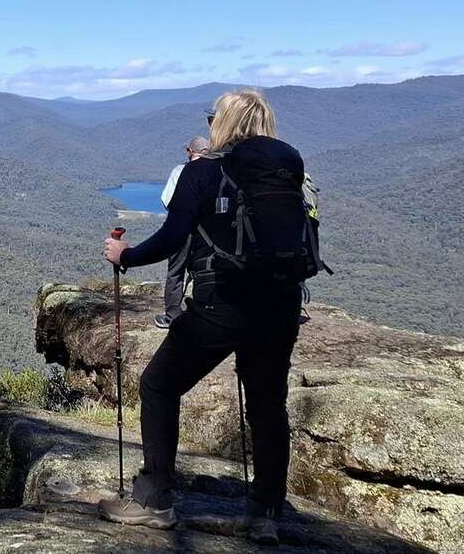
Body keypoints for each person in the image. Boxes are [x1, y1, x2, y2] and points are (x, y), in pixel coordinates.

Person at [98, 89, 314, 547]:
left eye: (213, 116)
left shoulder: (203, 172)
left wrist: (126, 255)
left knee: (159, 384)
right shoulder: (290, 173)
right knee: (267, 406)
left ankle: (154, 499)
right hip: (280, 307)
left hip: (222, 304)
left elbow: (172, 236)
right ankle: (264, 514)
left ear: (224, 123)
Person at [154, 135, 211, 329]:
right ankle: (203, 313)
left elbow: (167, 201)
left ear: (189, 151)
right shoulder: (216, 170)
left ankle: (172, 315)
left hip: (182, 231)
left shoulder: (180, 171)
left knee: (176, 271)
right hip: (208, 233)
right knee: (204, 269)